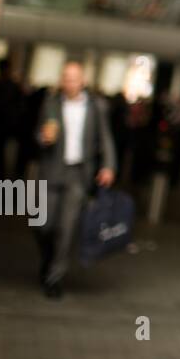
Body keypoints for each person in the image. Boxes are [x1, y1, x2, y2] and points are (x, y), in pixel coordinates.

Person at [34, 61, 116, 298]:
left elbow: (106, 138)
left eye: (73, 78)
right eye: (65, 78)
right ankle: (49, 258)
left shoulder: (96, 107)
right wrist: (43, 138)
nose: (69, 82)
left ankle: (54, 277)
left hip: (78, 175)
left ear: (82, 81)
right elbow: (38, 134)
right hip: (51, 171)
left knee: (66, 228)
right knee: (42, 224)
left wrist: (109, 166)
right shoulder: (50, 104)